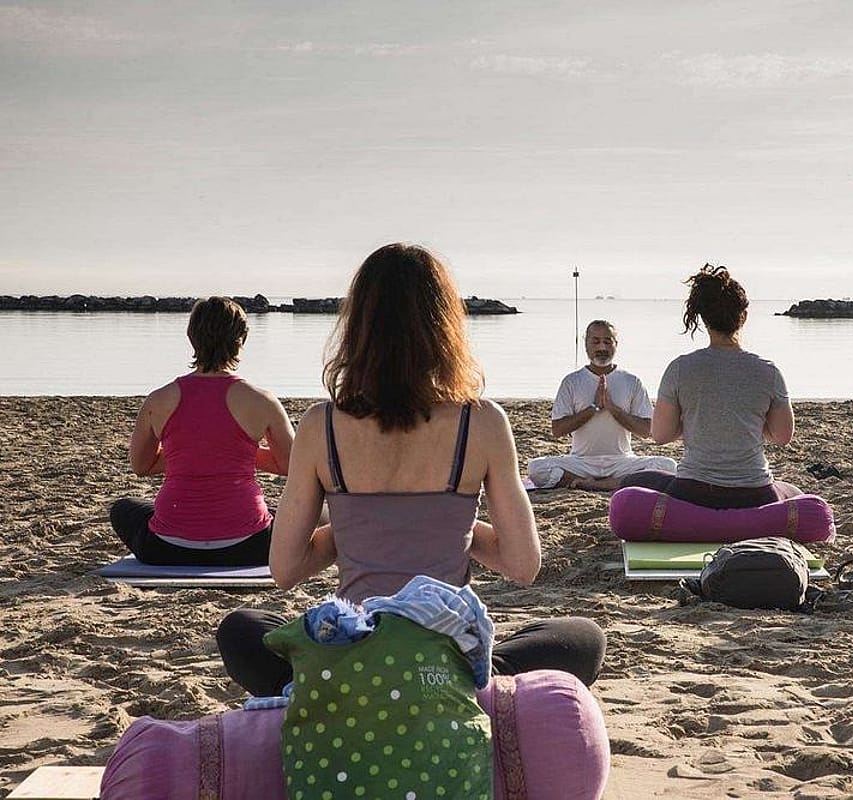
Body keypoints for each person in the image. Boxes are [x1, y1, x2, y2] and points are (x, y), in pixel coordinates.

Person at [217, 243, 605, 697]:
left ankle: (330, 687)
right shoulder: (481, 421)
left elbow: (285, 568)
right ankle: (464, 688)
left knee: (241, 630)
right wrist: (449, 529)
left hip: (355, 656)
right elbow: (522, 564)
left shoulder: (321, 424)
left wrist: (364, 530)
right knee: (583, 638)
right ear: (445, 325)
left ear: (358, 325)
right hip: (443, 662)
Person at [108, 296, 293, 566]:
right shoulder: (261, 401)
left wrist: (197, 451)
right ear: (241, 340)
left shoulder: (159, 400)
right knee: (305, 515)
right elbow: (290, 464)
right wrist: (234, 451)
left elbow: (141, 465)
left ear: (192, 337)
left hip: (166, 547)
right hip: (250, 547)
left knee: (123, 509)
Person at [620, 264, 798, 509]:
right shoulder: (768, 372)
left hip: (693, 492)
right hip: (755, 493)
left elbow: (660, 435)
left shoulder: (680, 368)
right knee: (794, 491)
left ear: (704, 319)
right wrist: (746, 423)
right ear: (743, 316)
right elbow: (782, 436)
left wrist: (700, 422)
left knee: (633, 481)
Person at [526, 320, 676, 491]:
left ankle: (598, 484)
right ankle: (594, 481)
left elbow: (646, 430)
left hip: (621, 461)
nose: (602, 348)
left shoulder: (631, 381)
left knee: (667, 465)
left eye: (607, 341)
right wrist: (592, 408)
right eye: (596, 341)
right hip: (582, 462)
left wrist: (613, 409)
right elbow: (557, 429)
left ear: (616, 344)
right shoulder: (572, 381)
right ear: (586, 345)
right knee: (536, 468)